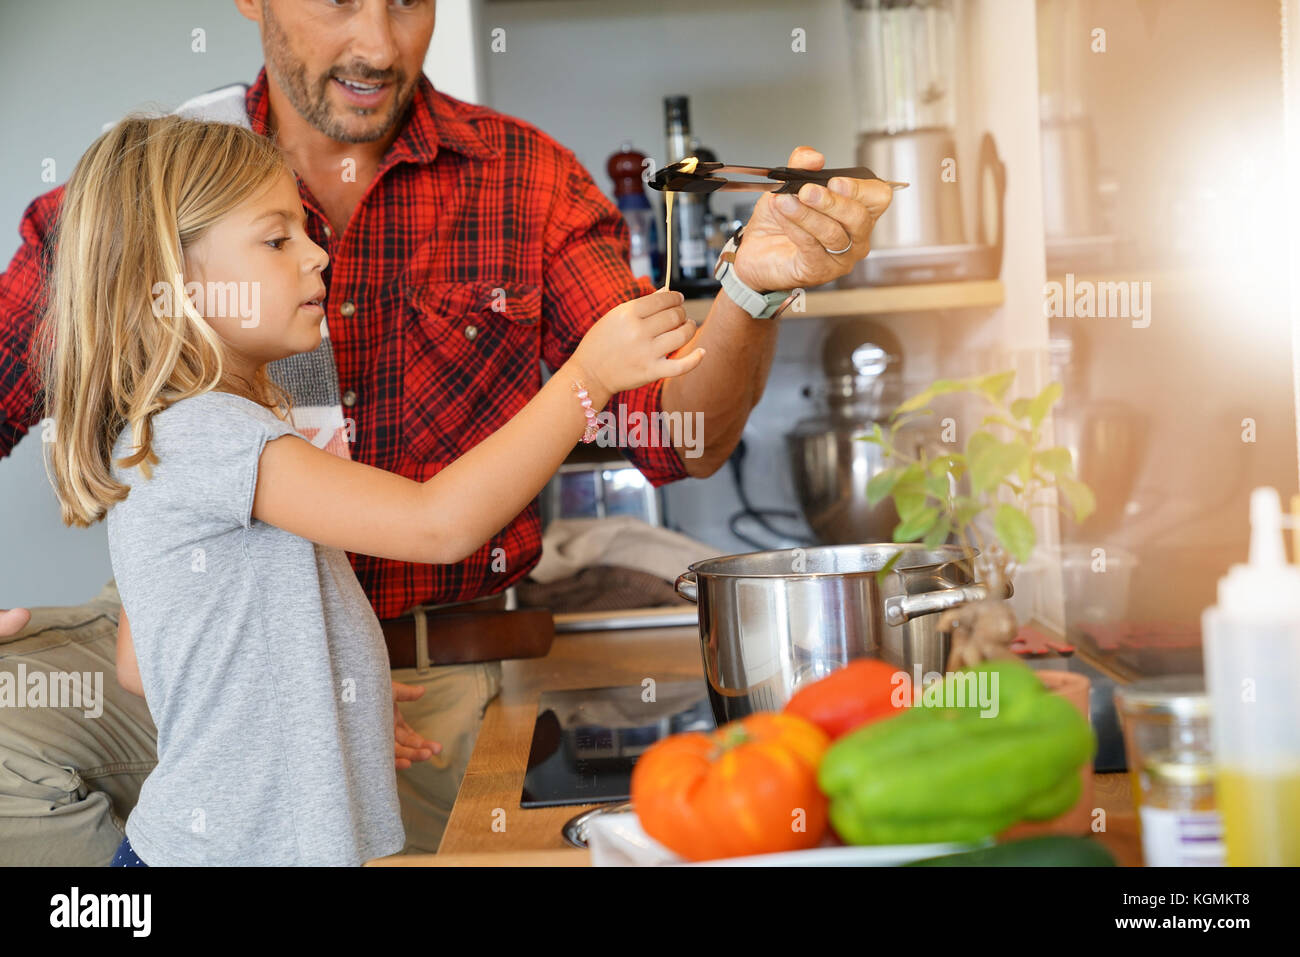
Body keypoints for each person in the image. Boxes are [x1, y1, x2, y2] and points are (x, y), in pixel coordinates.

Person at [0, 0, 892, 863]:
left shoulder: (525, 179)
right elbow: (436, 522)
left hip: (399, 684)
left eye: (409, 1)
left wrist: (750, 290)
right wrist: (583, 379)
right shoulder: (159, 245)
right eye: (341, 1)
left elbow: (677, 434)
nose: (379, 44)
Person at [39, 113, 703, 867]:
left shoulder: (180, 432)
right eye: (277, 238)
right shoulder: (212, 434)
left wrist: (321, 701)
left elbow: (141, 658)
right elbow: (438, 524)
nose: (318, 253)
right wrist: (586, 380)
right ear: (175, 283)